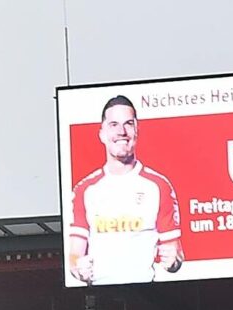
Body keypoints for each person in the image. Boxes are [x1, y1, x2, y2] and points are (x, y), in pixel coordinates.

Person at [65, 95, 182, 285]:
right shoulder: (84, 190)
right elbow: (74, 255)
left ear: (136, 131)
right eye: (114, 125)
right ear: (102, 134)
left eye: (128, 124)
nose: (122, 131)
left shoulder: (159, 186)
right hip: (100, 295)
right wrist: (78, 268)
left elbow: (175, 252)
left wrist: (174, 261)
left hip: (146, 295)